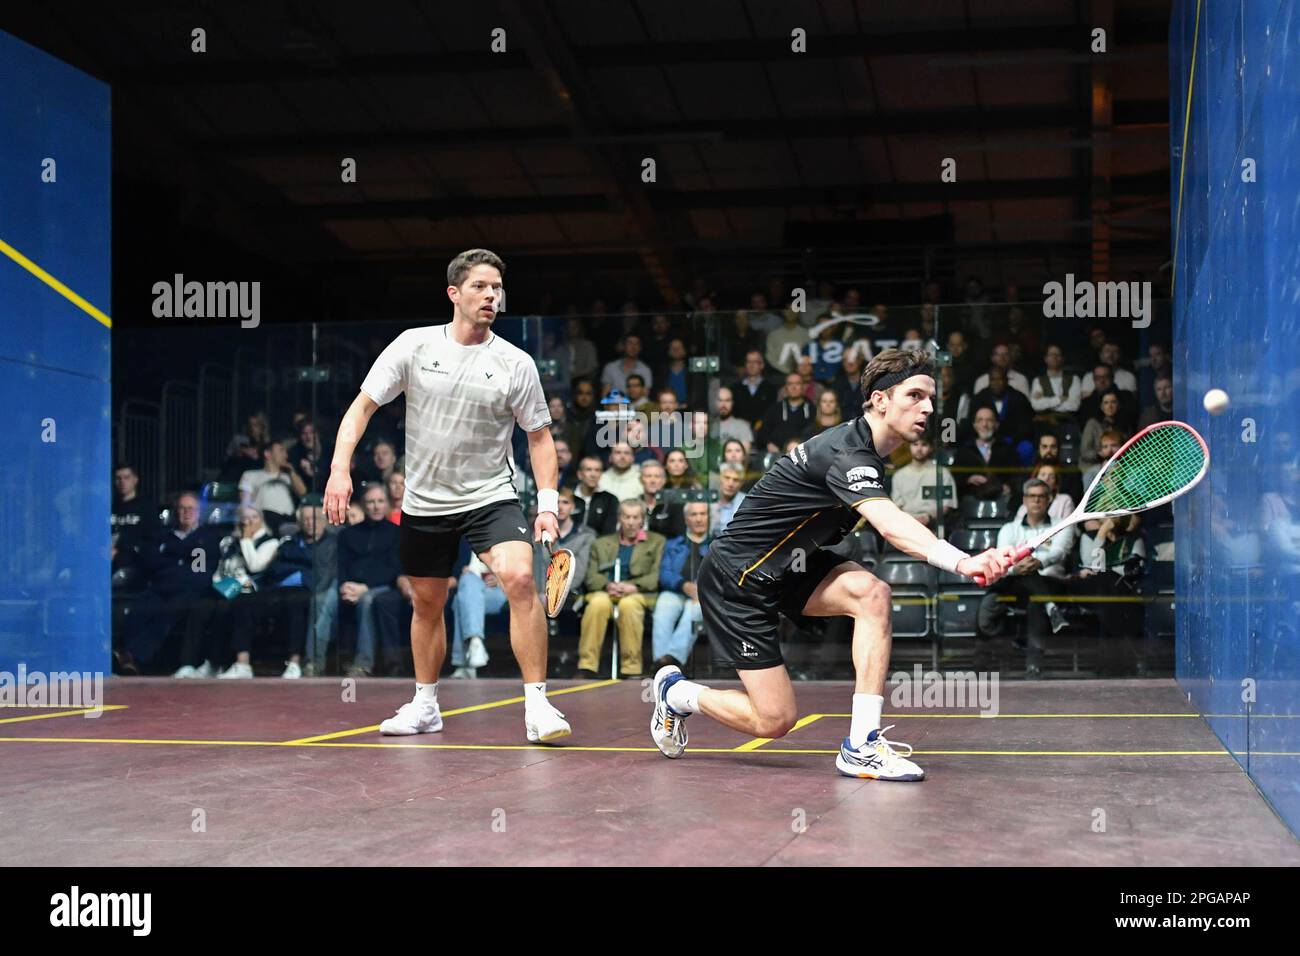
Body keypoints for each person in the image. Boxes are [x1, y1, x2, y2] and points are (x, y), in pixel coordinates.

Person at [647, 348, 1015, 780]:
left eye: (931, 398)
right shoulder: (847, 454)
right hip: (737, 580)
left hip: (790, 569)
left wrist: (977, 555)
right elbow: (891, 525)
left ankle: (861, 745)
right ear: (880, 400)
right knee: (775, 721)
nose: (929, 408)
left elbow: (889, 519)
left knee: (873, 594)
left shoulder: (868, 455)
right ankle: (677, 693)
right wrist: (963, 560)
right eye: (914, 395)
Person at [324, 248, 570, 743]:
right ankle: (425, 705)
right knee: (428, 604)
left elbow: (539, 439)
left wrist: (546, 506)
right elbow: (361, 408)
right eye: (480, 286)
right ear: (454, 293)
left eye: (497, 288)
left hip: (491, 496)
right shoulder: (413, 346)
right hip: (425, 503)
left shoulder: (514, 363)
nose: (492, 296)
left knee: (521, 578)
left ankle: (538, 706)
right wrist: (339, 469)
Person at [976, 479, 1073, 679]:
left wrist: (1036, 563)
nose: (1036, 500)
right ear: (1024, 500)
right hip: (1015, 584)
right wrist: (1018, 568)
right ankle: (1050, 609)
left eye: (1041, 496)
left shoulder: (1061, 526)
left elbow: (1059, 552)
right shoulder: (1009, 529)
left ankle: (1033, 665)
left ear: (1049, 500)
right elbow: (1004, 562)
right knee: (988, 611)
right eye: (1032, 496)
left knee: (1035, 601)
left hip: (1051, 583)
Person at [577, 500, 665, 678]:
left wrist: (633, 586)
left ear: (642, 520)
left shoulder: (656, 542)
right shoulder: (601, 543)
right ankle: (587, 666)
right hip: (606, 591)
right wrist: (607, 585)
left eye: (635, 517)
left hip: (638, 593)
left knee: (629, 606)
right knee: (596, 604)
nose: (631, 522)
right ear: (619, 519)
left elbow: (656, 576)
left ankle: (631, 668)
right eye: (627, 517)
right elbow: (591, 576)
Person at [651, 501, 712, 671]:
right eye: (694, 514)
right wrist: (683, 585)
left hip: (703, 595)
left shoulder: (718, 543)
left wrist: (703, 590)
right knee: (664, 605)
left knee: (695, 610)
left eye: (703, 514)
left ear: (709, 517)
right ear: (686, 519)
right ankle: (661, 661)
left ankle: (671, 660)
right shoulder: (673, 544)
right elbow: (664, 573)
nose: (699, 519)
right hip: (676, 591)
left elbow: (723, 574)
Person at [953, 406, 1020, 502]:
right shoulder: (964, 451)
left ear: (996, 425)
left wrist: (1009, 486)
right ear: (974, 425)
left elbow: (1017, 477)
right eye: (980, 420)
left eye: (989, 420)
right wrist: (968, 479)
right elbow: (954, 479)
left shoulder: (1008, 450)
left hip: (1002, 500)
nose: (984, 424)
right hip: (971, 502)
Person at [890, 436, 957, 530]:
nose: (919, 449)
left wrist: (928, 517)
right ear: (909, 446)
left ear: (931, 448)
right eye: (915, 444)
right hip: (906, 525)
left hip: (934, 524)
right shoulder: (899, 475)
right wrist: (910, 519)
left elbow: (946, 506)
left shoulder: (942, 473)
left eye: (924, 445)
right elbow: (897, 506)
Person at [239, 441, 306, 535]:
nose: (285, 455)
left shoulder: (288, 477)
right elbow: (245, 503)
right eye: (281, 451)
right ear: (267, 454)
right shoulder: (250, 475)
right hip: (264, 522)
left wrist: (291, 472)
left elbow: (303, 493)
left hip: (288, 522)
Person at [756, 372, 814, 452]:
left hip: (804, 454)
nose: (794, 387)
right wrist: (769, 443)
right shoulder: (774, 409)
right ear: (785, 387)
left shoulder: (812, 409)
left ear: (803, 387)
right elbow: (762, 434)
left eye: (797, 383)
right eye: (790, 384)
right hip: (777, 455)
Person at [728, 350, 779, 426]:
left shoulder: (771, 389)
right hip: (739, 431)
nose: (751, 365)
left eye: (755, 362)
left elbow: (772, 415)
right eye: (749, 362)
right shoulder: (734, 389)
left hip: (764, 432)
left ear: (762, 365)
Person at [572, 455, 619, 534]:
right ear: (579, 474)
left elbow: (608, 533)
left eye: (597, 470)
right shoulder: (569, 497)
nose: (593, 474)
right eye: (588, 470)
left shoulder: (610, 500)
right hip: (568, 544)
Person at [715, 386, 754, 453]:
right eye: (720, 400)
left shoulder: (742, 426)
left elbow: (745, 456)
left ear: (732, 403)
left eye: (727, 400)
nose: (723, 405)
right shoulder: (704, 424)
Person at [712, 462, 747, 534]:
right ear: (719, 478)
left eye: (736, 480)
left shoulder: (747, 503)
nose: (730, 484)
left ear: (741, 483)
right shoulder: (709, 499)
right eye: (727, 478)